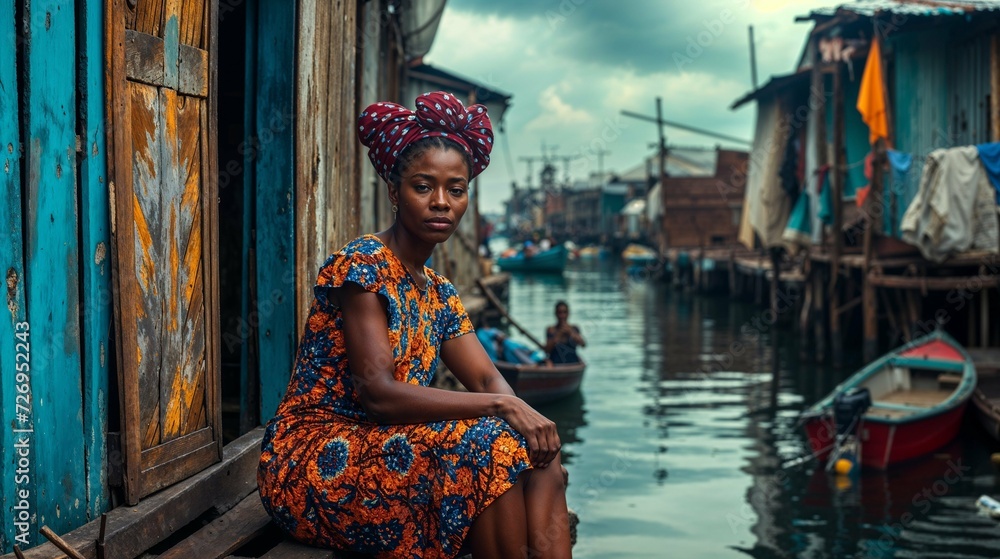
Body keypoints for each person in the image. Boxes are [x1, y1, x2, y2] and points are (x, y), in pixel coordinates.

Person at [258, 91, 572, 559]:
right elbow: (379, 396)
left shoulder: (441, 292)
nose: (441, 202)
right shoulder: (363, 266)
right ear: (393, 192)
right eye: (423, 187)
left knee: (539, 450)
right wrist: (502, 407)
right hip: (316, 459)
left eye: (456, 190)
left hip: (390, 447)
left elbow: (487, 377)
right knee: (488, 445)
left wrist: (524, 418)